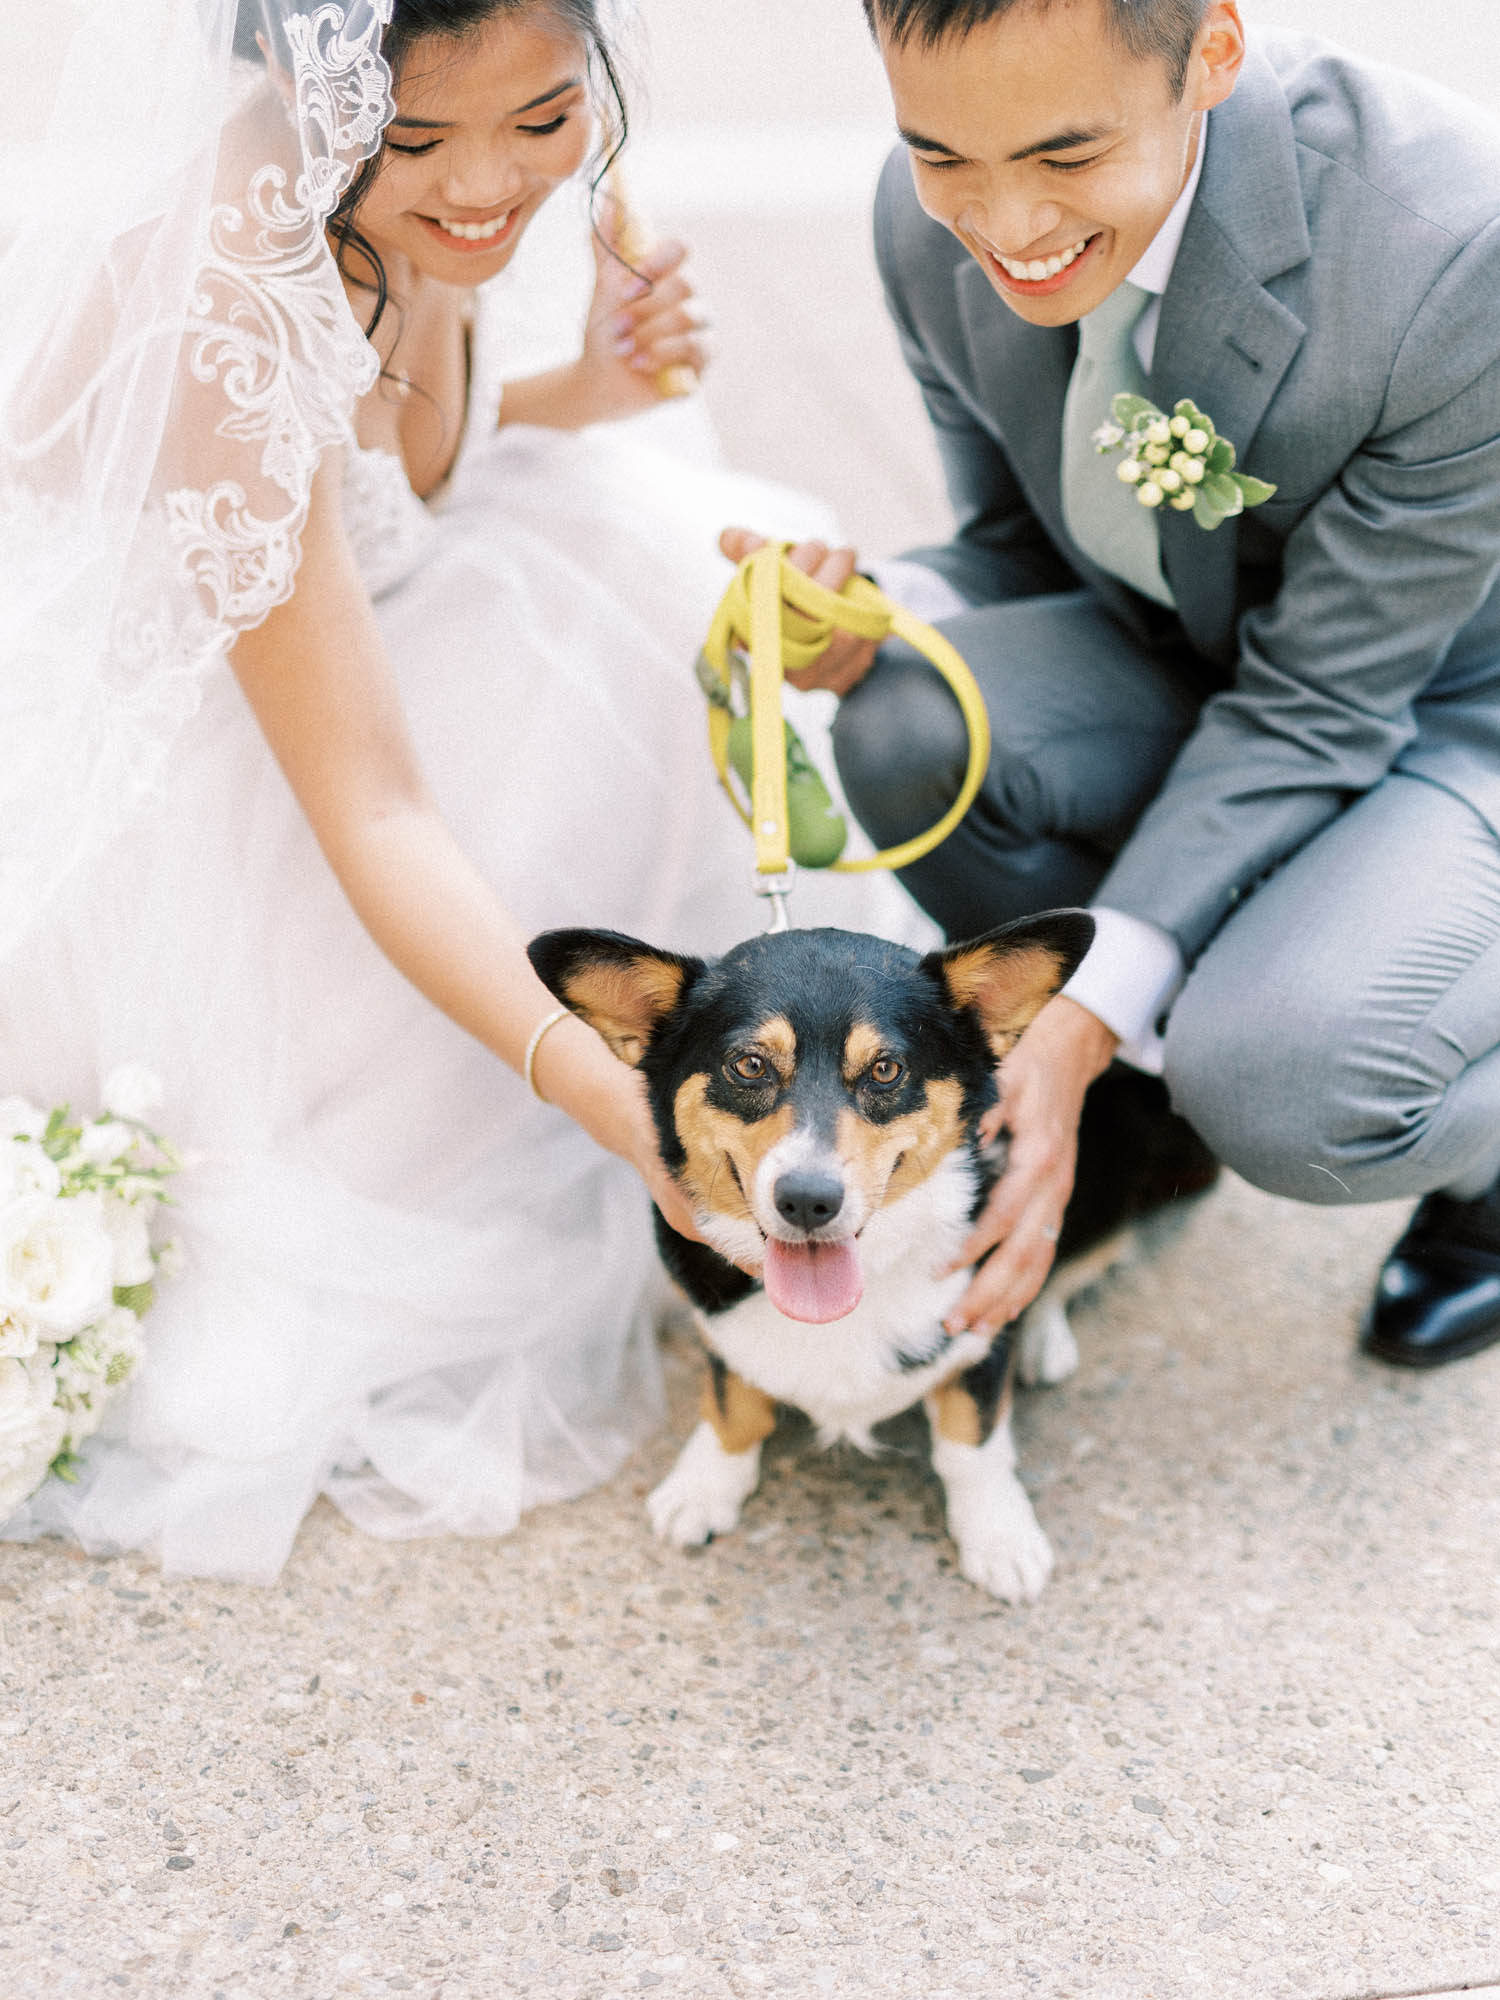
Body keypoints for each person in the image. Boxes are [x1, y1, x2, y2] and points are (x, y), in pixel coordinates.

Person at [0, 0, 917, 1581]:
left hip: (352, 610)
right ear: (305, 85)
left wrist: (588, 391)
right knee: (313, 1264)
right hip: (217, 745)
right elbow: (372, 808)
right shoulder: (242, 294)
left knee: (710, 585)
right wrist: (598, 1086)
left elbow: (406, 468)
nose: (490, 183)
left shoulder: (442, 197)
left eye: (545, 120)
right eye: (414, 140)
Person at [729, 0, 1500, 1367]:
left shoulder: (1451, 248)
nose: (1002, 222)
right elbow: (1017, 547)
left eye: (1064, 158)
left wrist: (1081, 1012)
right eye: (944, 154)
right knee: (910, 722)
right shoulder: (927, 222)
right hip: (1197, 661)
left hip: (1452, 704)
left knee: (1284, 1085)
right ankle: (1145, 1070)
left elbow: (1323, 701)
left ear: (1212, 52)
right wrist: (872, 613)